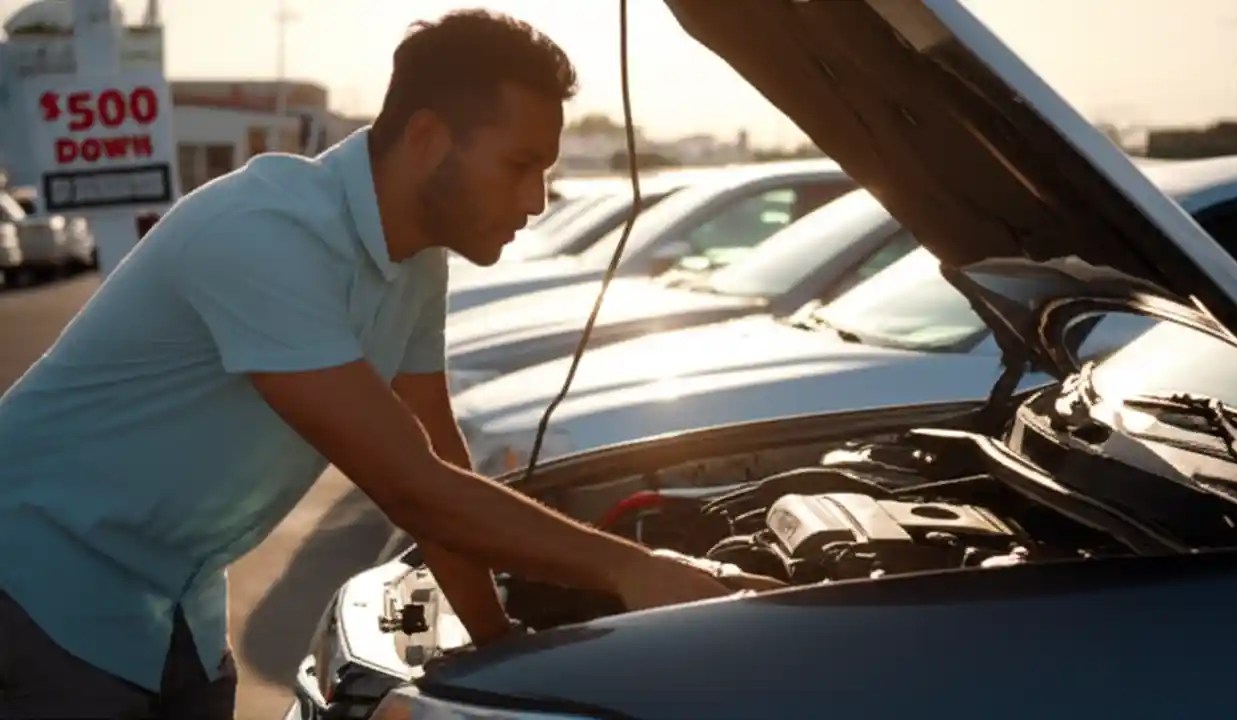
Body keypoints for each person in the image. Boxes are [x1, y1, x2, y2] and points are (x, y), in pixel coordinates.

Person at [0, 11, 762, 719]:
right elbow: (412, 489)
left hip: (176, 603)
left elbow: (434, 469)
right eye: (521, 164)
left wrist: (500, 651)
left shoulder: (418, 264)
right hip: (38, 584)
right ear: (427, 138)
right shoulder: (265, 234)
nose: (536, 199)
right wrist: (636, 571)